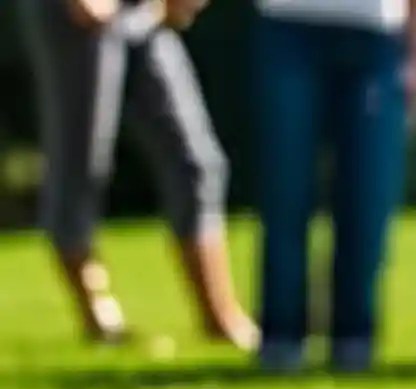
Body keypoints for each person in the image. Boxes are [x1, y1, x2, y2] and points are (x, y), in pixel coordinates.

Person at [17, 0, 258, 349]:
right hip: (76, 14)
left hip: (142, 10)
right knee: (82, 163)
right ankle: (96, 312)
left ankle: (219, 315)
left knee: (195, 163)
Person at [251, 0, 416, 374]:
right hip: (288, 27)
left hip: (376, 39)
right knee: (286, 191)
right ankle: (281, 337)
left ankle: (354, 338)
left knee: (367, 196)